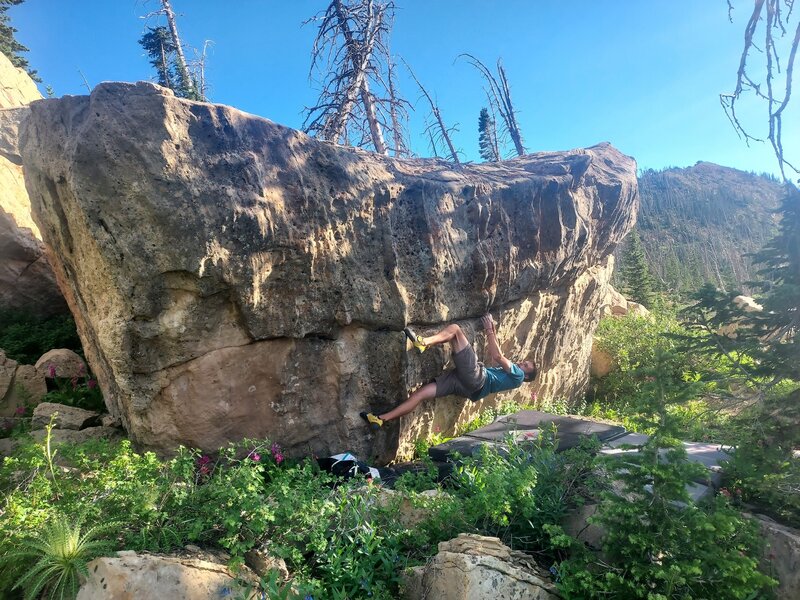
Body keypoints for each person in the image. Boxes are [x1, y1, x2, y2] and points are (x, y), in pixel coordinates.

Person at [360, 314, 537, 429]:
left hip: (476, 378)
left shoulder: (518, 376)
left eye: (526, 365)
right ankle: (381, 419)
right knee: (420, 395)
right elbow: (497, 358)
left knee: (455, 330)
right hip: (468, 387)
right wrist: (494, 334)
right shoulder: (511, 379)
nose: (522, 363)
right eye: (525, 362)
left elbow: (498, 356)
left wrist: (489, 330)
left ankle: (424, 342)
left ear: (526, 375)